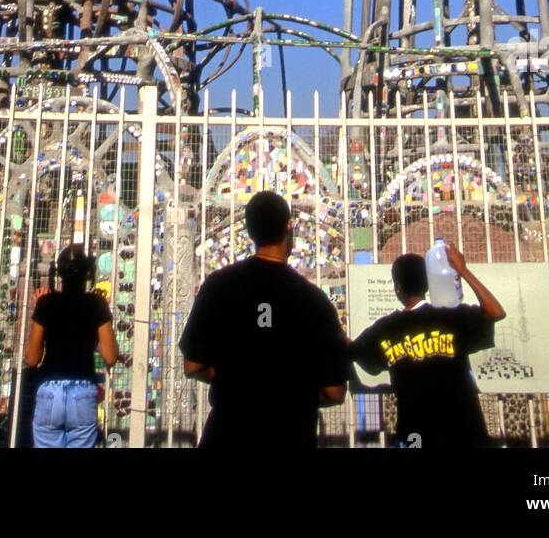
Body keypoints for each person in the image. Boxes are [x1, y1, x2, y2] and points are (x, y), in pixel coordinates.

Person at [179, 190, 348, 449]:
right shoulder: (314, 301)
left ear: (249, 231)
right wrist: (290, 393)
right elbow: (334, 391)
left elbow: (192, 365)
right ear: (288, 227)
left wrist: (235, 379)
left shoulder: (218, 286)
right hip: (291, 433)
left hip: (228, 432)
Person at [349, 245, 505, 449]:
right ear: (428, 284)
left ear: (398, 288)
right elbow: (496, 312)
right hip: (464, 431)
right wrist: (463, 270)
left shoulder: (385, 329)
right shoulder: (450, 318)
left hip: (416, 435)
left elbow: (352, 353)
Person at [24, 243, 119, 448]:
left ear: (59, 273)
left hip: (50, 390)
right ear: (88, 273)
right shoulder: (96, 305)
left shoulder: (46, 303)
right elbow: (110, 356)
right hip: (83, 391)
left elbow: (31, 359)